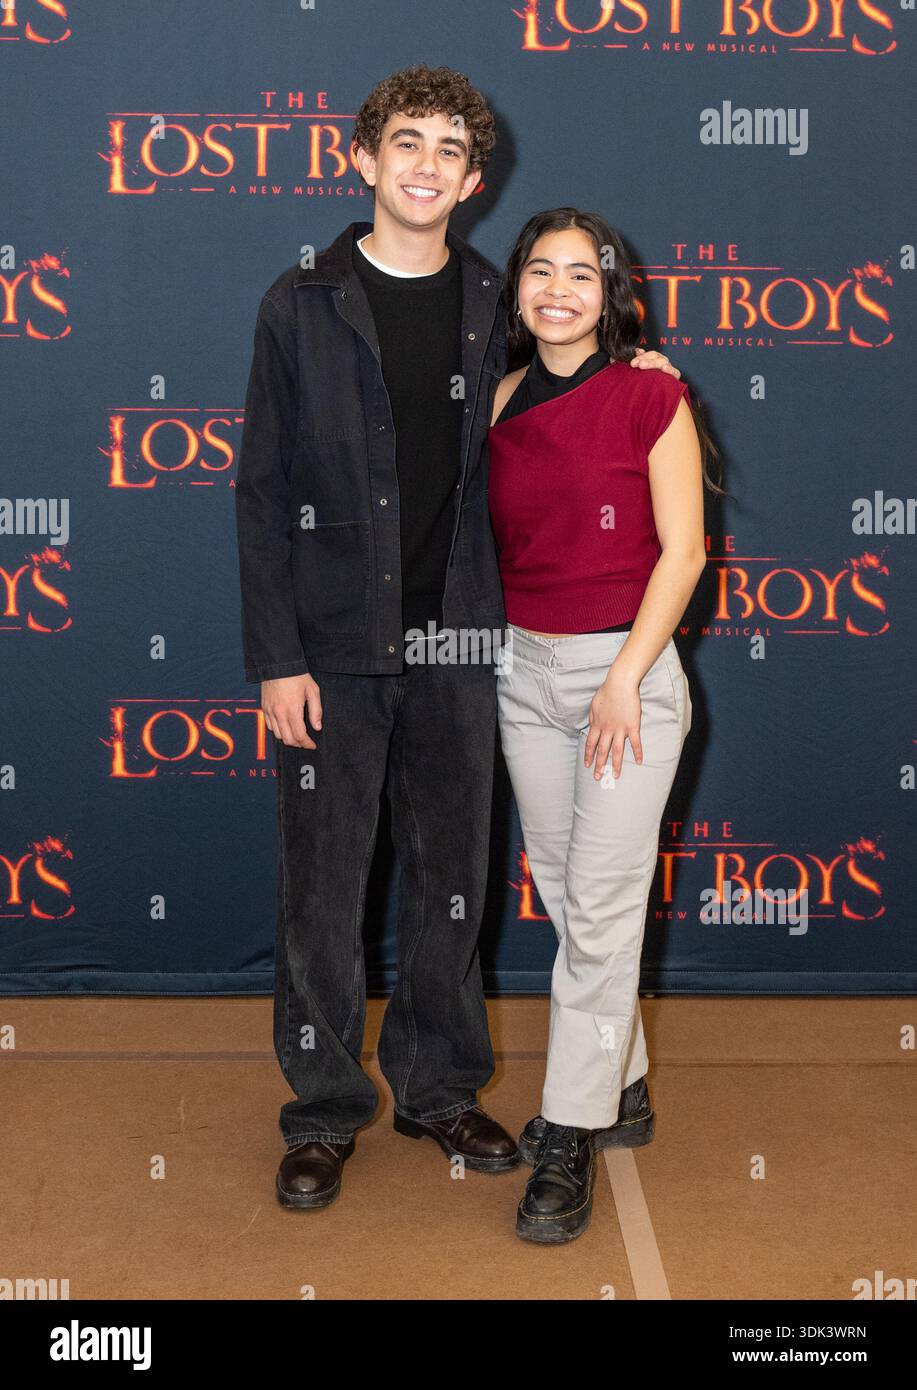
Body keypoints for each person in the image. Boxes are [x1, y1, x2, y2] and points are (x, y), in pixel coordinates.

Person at [234, 65, 680, 1211]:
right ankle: (322, 1112)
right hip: (331, 648)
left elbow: (569, 385)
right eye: (406, 142)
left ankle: (438, 1089)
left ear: (474, 180)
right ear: (363, 159)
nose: (426, 166)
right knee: (321, 890)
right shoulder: (298, 302)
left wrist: (639, 365)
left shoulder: (496, 303)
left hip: (465, 647)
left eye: (448, 150)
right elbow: (260, 490)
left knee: (449, 884)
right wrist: (276, 656)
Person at [487, 208, 722, 1243]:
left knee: (600, 908)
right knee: (566, 893)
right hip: (521, 672)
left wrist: (626, 674)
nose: (557, 290)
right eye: (539, 270)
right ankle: (619, 1084)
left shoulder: (650, 394)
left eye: (580, 274)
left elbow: (684, 552)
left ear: (610, 292)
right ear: (517, 288)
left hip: (623, 677)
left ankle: (569, 1132)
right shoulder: (496, 397)